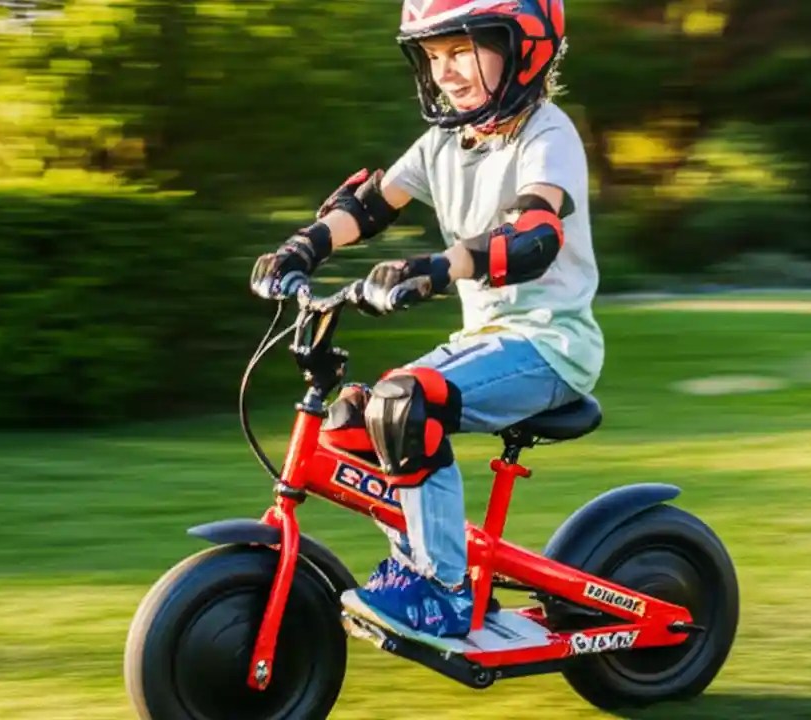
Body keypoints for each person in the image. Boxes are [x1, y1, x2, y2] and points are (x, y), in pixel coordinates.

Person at [249, 0, 602, 639]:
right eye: (433, 56)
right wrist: (304, 247)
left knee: (406, 404)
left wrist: (440, 268)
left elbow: (532, 234)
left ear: (523, 47)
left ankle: (440, 590)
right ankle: (424, 559)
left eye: (462, 50)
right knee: (354, 417)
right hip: (485, 340)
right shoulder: (446, 140)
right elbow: (372, 204)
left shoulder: (547, 136)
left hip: (552, 343)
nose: (446, 72)